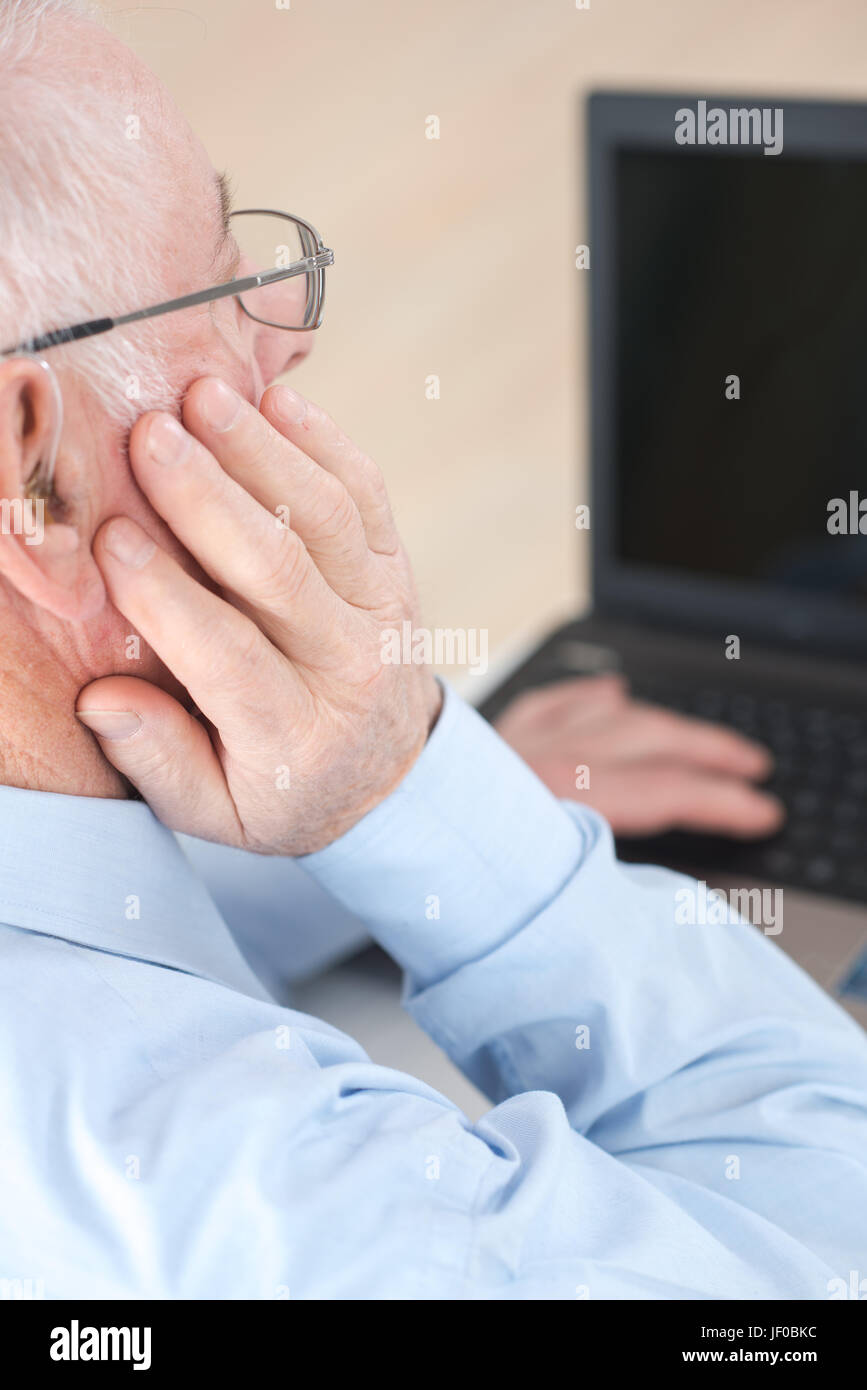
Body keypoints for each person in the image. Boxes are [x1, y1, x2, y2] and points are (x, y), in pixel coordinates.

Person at [0, 0, 863, 1300]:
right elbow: (821, 1242)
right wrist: (436, 803)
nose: (283, 332)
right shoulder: (289, 1203)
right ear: (28, 468)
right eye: (219, 285)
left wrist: (360, 821)